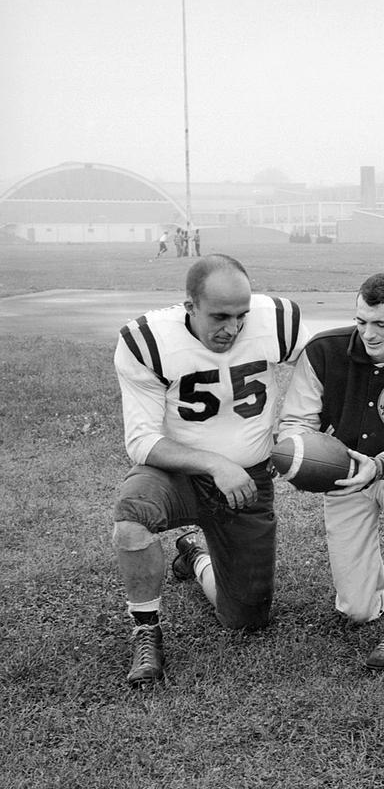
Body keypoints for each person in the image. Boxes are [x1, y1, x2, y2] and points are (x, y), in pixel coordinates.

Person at [112, 253, 309, 686]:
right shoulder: (147, 340)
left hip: (248, 480)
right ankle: (146, 631)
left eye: (242, 315)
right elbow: (141, 441)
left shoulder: (277, 320)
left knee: (246, 619)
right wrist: (216, 464)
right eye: (220, 316)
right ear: (190, 307)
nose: (233, 328)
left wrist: (294, 427)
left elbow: (316, 367)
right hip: (176, 474)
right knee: (132, 520)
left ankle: (194, 554)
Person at [277, 273, 384, 669]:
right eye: (361, 322)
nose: (368, 334)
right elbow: (295, 422)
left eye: (381, 325)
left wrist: (380, 466)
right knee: (358, 610)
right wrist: (300, 458)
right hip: (343, 475)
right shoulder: (323, 350)